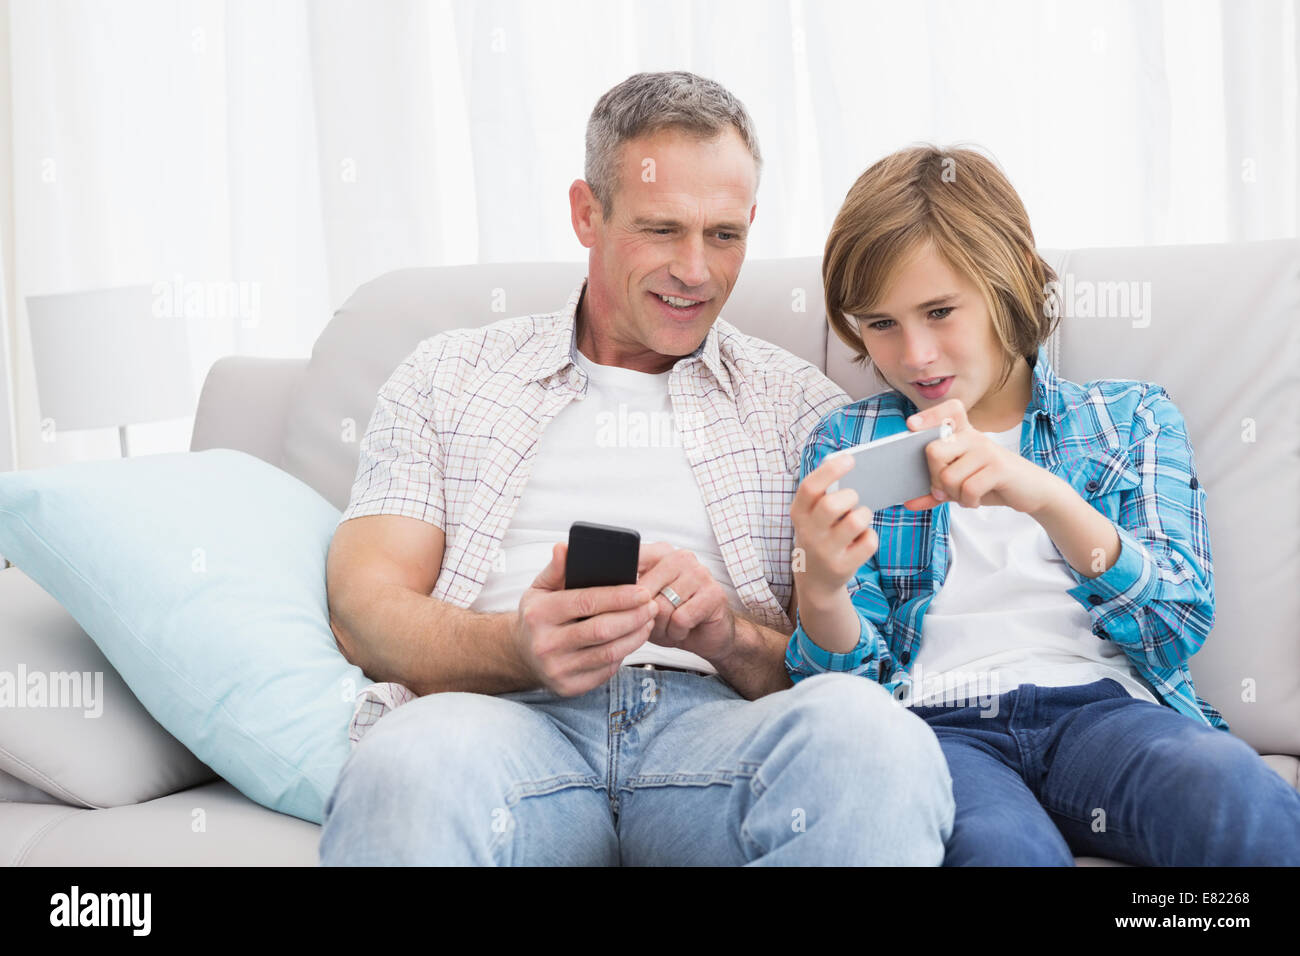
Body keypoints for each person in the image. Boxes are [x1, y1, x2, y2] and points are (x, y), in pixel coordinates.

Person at [319, 72, 955, 866]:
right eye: (662, 230)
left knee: (874, 741)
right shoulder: (447, 376)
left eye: (724, 235)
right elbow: (363, 608)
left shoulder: (804, 407)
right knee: (405, 765)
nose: (696, 270)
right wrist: (517, 646)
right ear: (588, 214)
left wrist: (728, 638)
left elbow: (847, 655)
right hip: (502, 726)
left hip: (719, 740)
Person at [788, 143, 1300, 865]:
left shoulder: (1129, 419)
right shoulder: (847, 443)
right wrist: (822, 588)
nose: (917, 355)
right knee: (1001, 852)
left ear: (1008, 287)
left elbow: (1176, 622)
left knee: (1230, 792)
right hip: (938, 731)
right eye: (881, 324)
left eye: (940, 311)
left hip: (1105, 713)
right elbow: (844, 699)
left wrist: (1044, 496)